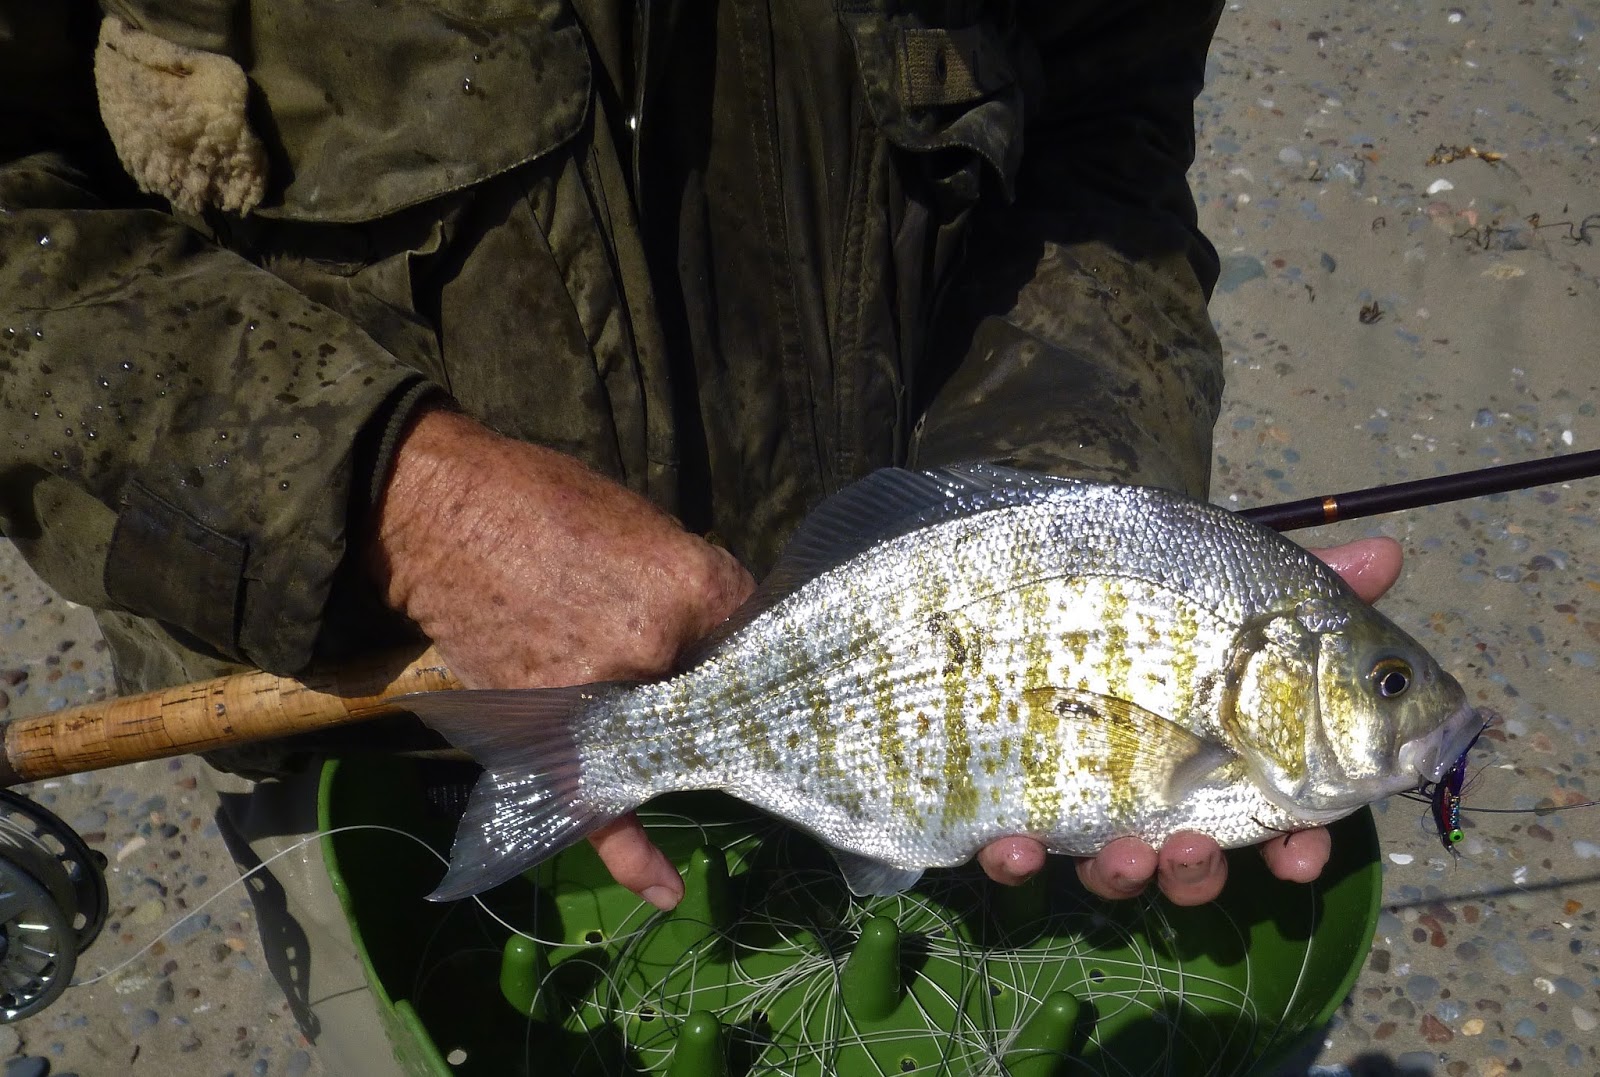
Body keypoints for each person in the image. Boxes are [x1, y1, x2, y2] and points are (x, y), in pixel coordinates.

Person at [1, 0, 1401, 929]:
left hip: (892, 679)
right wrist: (392, 498)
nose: (1404, 713)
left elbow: (1108, 136)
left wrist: (1046, 485)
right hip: (354, 682)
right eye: (1383, 684)